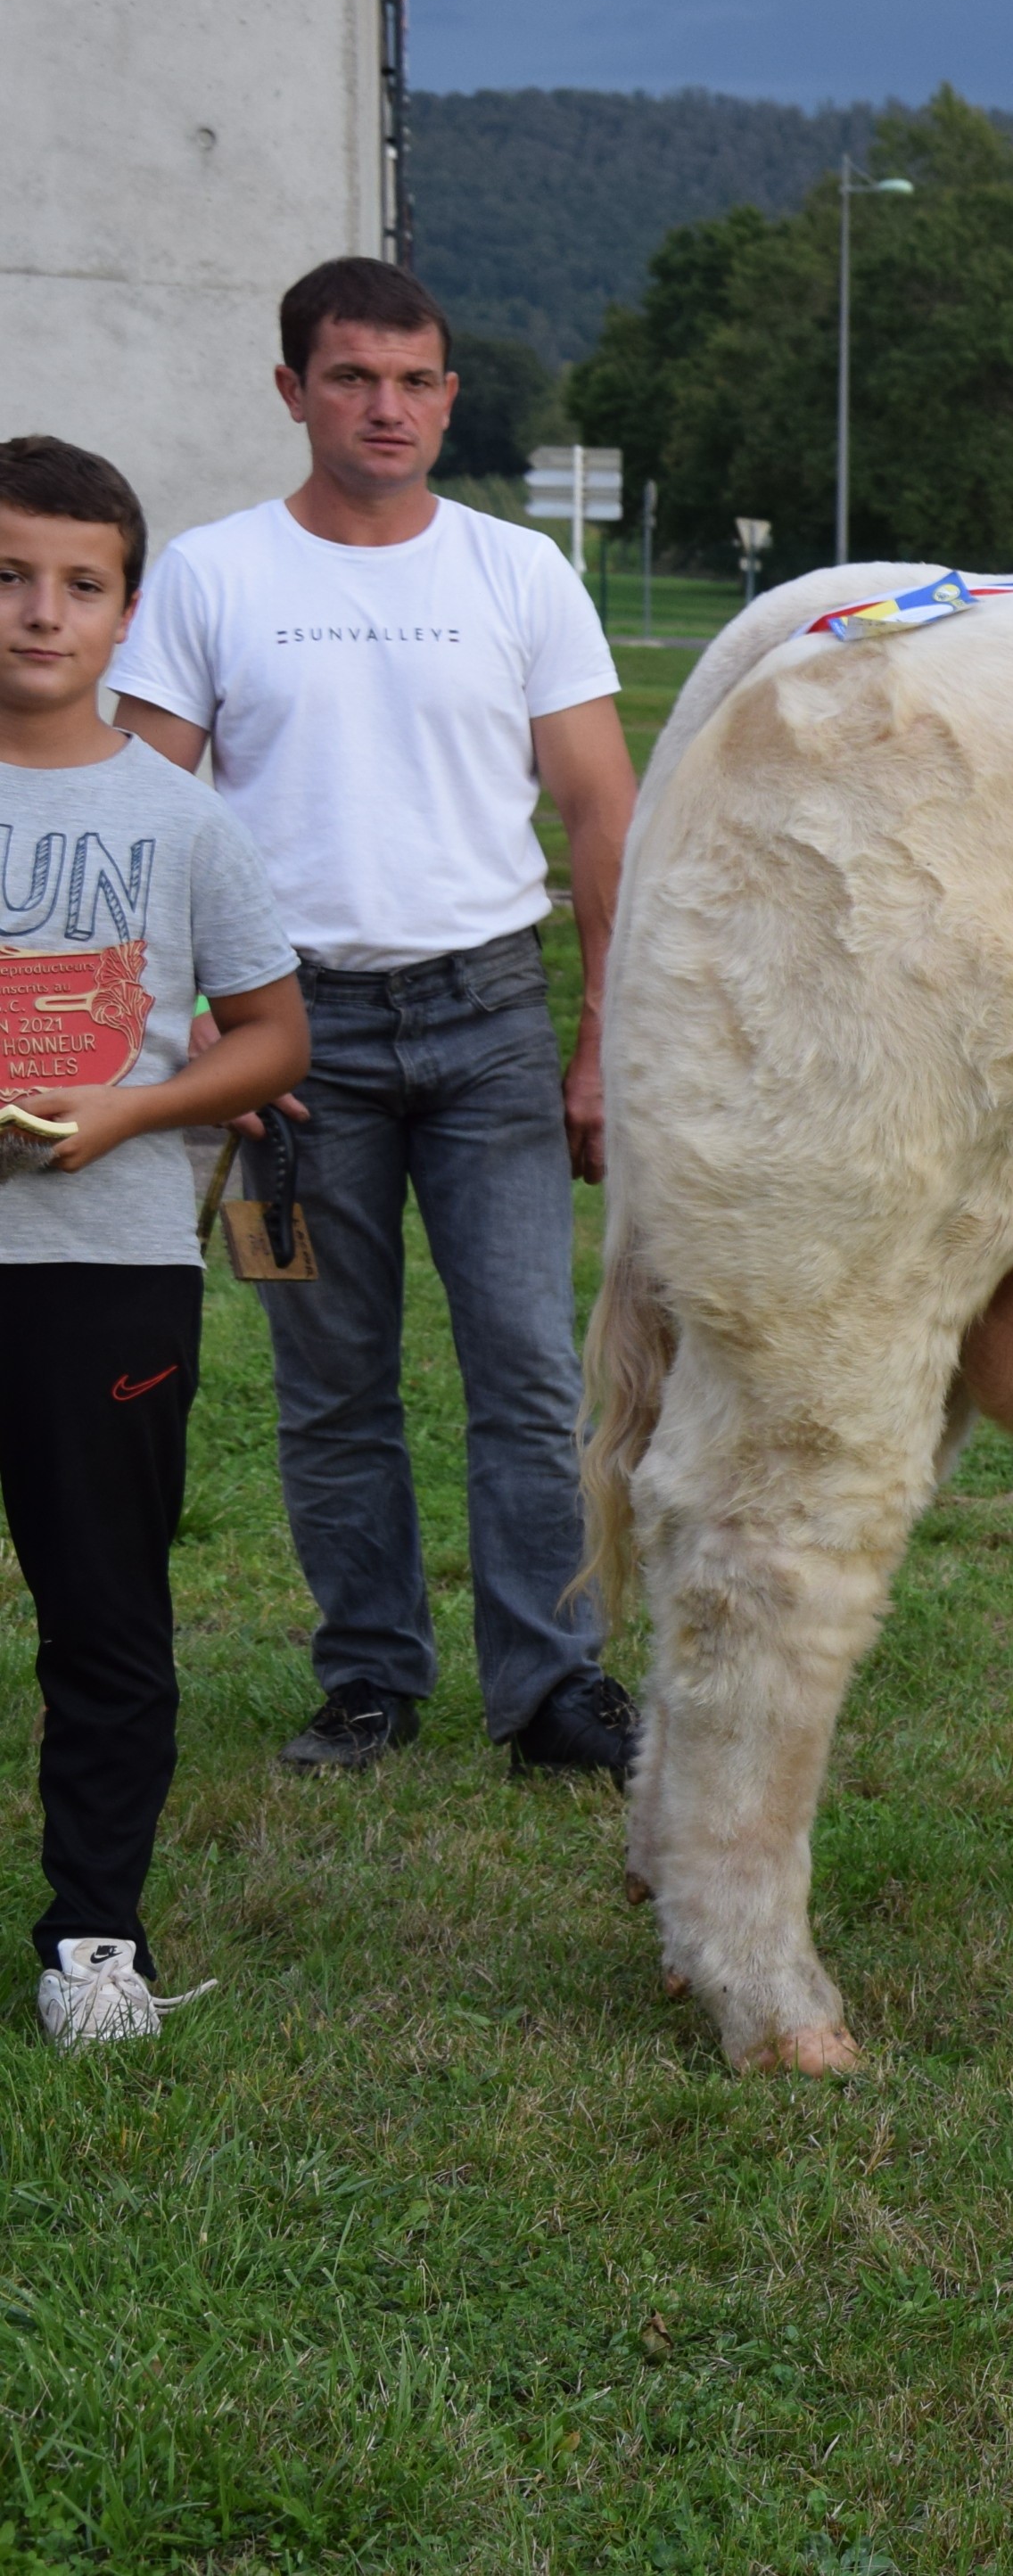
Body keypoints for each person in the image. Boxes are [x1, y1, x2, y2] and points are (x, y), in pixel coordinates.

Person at [106, 259, 644, 1776]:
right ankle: (368, 1680)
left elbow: (601, 817)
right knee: (330, 1384)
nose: (386, 408)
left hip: (488, 1020)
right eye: (351, 377)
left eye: (414, 382)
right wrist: (201, 1036)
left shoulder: (516, 573)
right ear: (294, 391)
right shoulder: (214, 575)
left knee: (527, 1373)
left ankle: (552, 1690)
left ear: (450, 398)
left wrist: (601, 1043)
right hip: (289, 1042)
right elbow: (146, 817)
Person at [0, 439, 309, 2044]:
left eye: (80, 584)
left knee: (106, 1614)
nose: (39, 612)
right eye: (7, 576)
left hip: (104, 1271)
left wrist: (130, 1110)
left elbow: (272, 1037)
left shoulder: (183, 821)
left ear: (127, 612)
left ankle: (93, 1943)